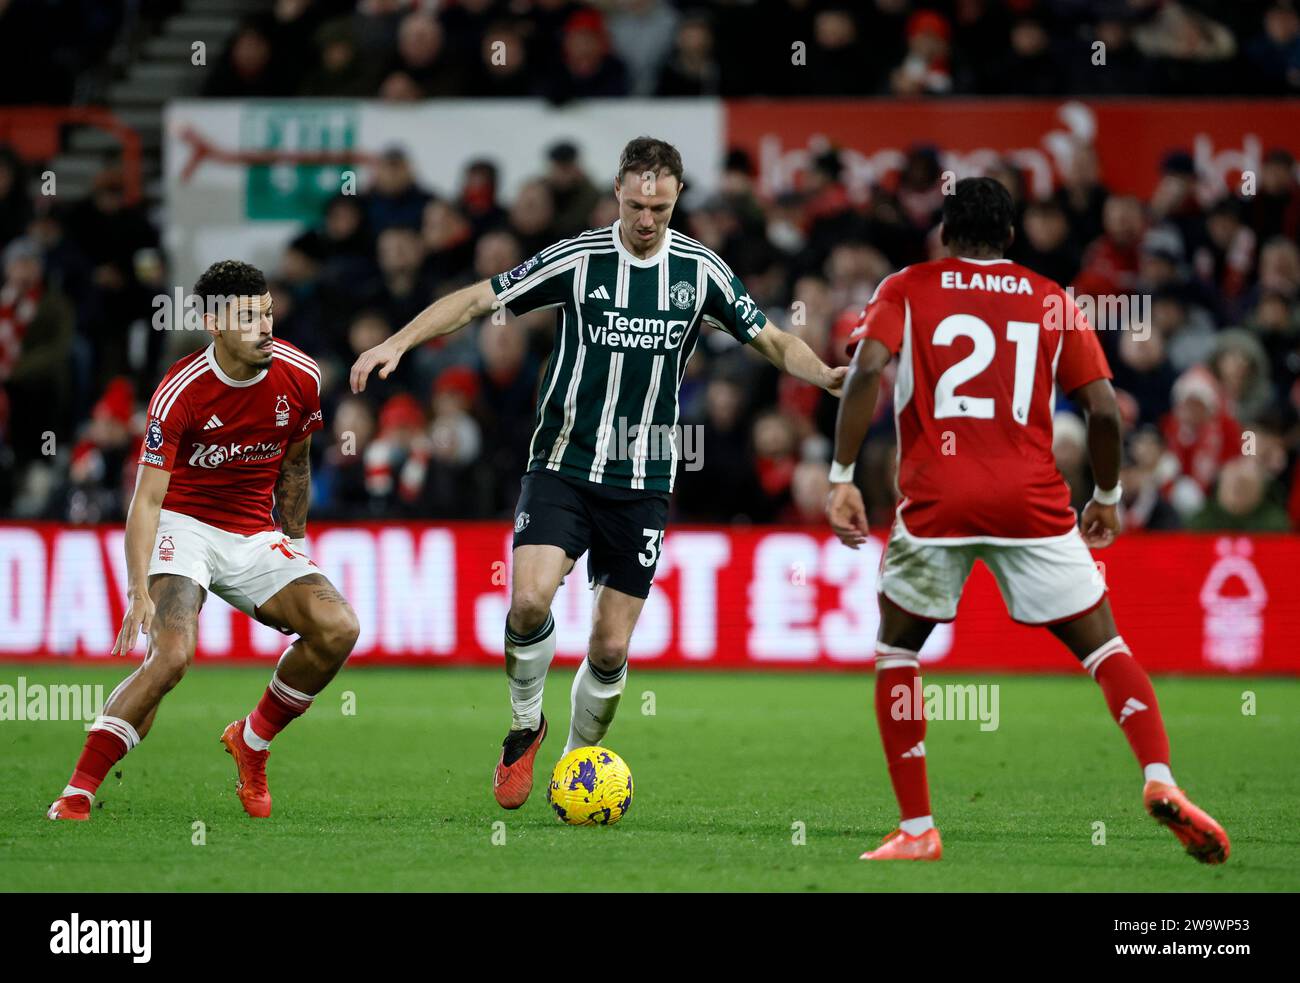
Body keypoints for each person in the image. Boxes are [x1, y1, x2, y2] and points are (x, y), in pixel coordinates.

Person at [352, 136, 846, 811]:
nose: (646, 220)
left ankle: (575, 764)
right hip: (563, 463)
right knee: (529, 601)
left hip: (643, 480)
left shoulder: (699, 271)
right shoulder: (578, 259)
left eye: (660, 209)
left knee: (610, 647)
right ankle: (525, 724)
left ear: (677, 200)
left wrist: (826, 375)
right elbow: (478, 300)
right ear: (617, 192)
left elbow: (772, 339)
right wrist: (397, 341)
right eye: (636, 205)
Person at [826, 178, 1229, 864]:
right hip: (1032, 500)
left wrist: (841, 476)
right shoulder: (1051, 298)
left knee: (898, 651)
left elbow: (866, 371)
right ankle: (1160, 776)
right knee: (1105, 647)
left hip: (938, 500)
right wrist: (1107, 494)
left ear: (944, 233)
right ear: (1011, 237)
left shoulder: (907, 286)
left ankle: (918, 828)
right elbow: (1103, 410)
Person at [47, 261, 360, 822]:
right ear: (214, 323)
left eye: (268, 312)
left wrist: (294, 546)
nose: (265, 326)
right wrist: (137, 591)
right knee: (171, 657)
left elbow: (295, 465)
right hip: (183, 525)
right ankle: (78, 791)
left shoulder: (301, 376)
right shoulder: (180, 392)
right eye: (249, 317)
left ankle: (252, 743)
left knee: (339, 628)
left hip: (254, 532)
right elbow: (146, 500)